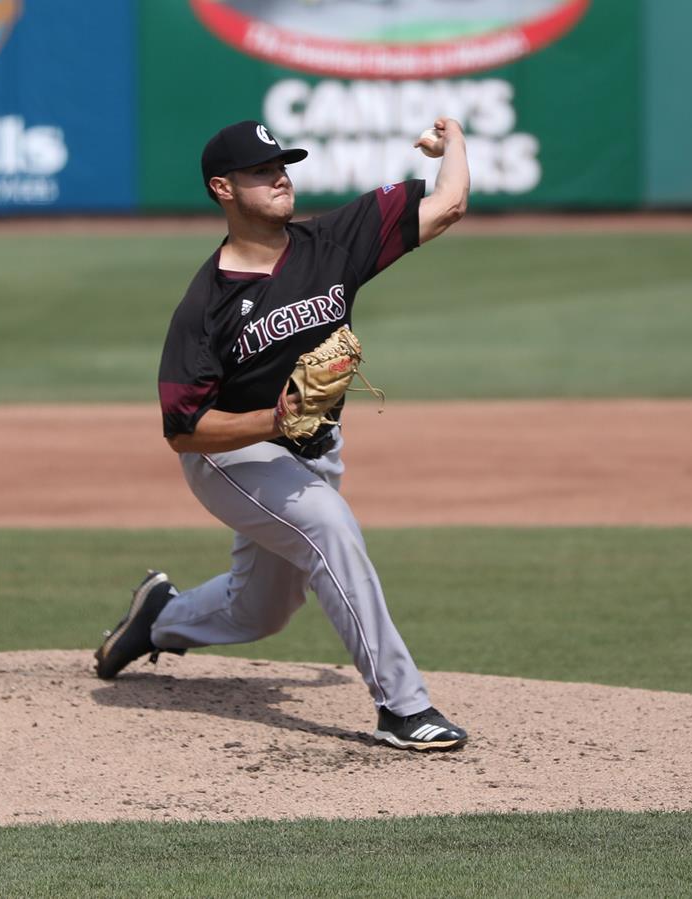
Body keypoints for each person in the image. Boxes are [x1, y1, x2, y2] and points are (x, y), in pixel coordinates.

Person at [94, 117, 471, 751]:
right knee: (329, 526)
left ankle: (159, 619)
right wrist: (275, 419)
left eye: (282, 166)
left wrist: (453, 143)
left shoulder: (332, 243)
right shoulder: (205, 304)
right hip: (231, 456)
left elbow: (449, 204)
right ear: (223, 188)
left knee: (260, 612)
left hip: (312, 452)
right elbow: (184, 431)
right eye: (261, 172)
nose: (279, 178)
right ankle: (403, 707)